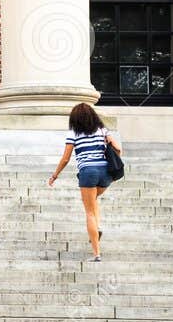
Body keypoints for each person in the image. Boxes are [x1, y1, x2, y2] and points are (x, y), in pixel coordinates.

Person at [46, 102, 121, 262]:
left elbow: (66, 158)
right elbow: (118, 148)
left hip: (88, 172)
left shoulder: (73, 133)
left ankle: (96, 254)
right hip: (106, 173)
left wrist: (55, 175)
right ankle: (98, 228)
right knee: (93, 200)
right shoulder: (102, 130)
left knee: (89, 213)